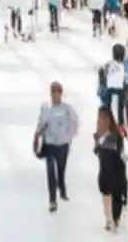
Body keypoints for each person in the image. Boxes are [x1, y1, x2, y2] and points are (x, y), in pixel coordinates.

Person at [33, 81, 78, 212]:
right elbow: (40, 122)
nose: (55, 96)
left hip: (63, 144)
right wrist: (38, 133)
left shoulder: (67, 108)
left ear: (61, 94)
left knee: (61, 169)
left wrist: (69, 136)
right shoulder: (46, 108)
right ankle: (52, 199)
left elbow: (74, 123)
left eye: (57, 93)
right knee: (50, 170)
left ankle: (62, 187)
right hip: (49, 144)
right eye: (53, 93)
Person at [93, 105, 128, 232]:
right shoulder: (98, 135)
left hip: (116, 168)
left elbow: (120, 150)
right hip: (104, 168)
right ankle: (108, 218)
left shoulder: (116, 134)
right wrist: (100, 139)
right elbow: (95, 151)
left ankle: (115, 218)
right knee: (106, 193)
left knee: (116, 195)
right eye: (99, 118)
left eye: (104, 118)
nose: (101, 121)